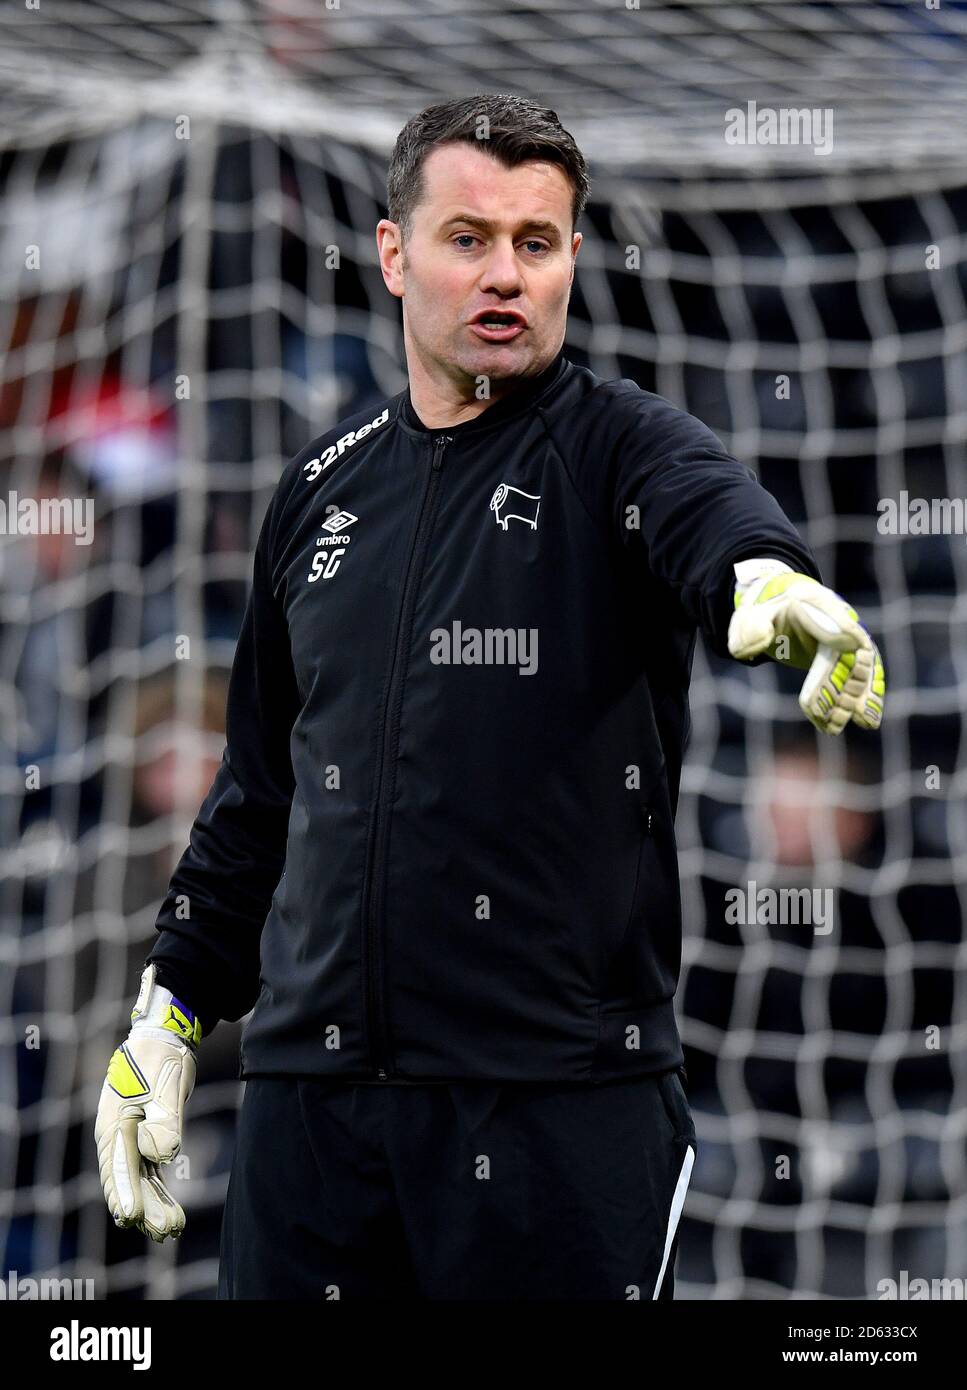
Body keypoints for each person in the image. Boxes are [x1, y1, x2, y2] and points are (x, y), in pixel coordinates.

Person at [94, 93, 885, 1301]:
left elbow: (708, 507)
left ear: (572, 255)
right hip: (313, 1117)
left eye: (536, 240)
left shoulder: (620, 448)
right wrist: (173, 1010)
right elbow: (258, 797)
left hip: (558, 1111)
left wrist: (766, 574)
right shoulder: (318, 492)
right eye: (469, 238)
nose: (505, 273)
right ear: (395, 253)